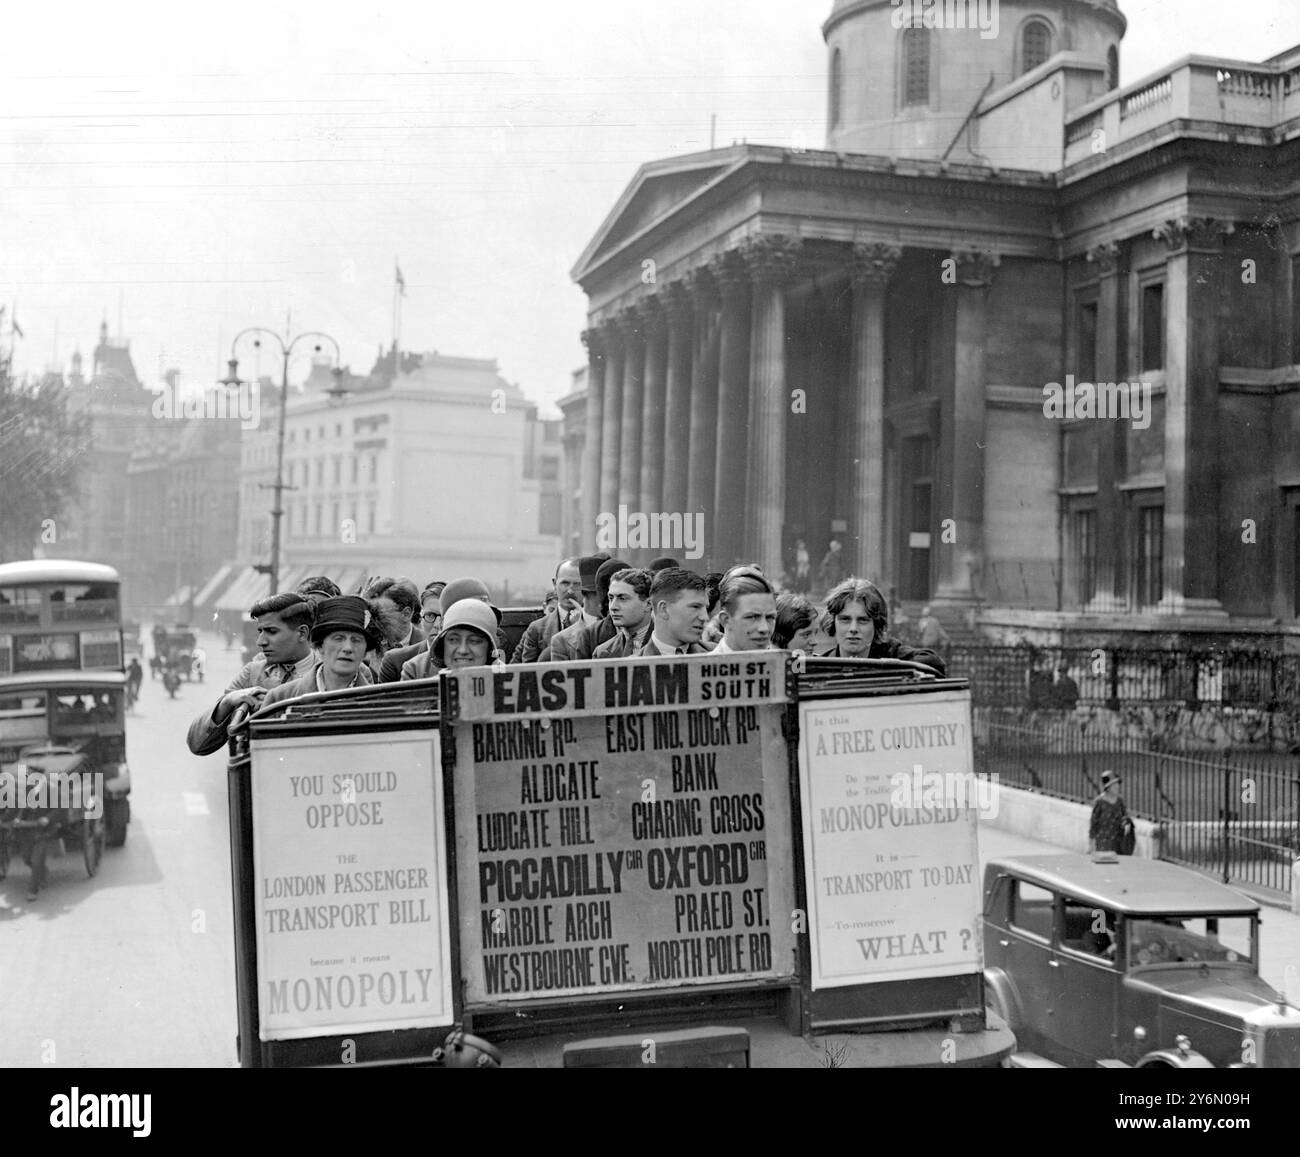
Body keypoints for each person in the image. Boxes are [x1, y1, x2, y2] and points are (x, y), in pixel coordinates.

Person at [186, 592, 316, 756]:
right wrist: (227, 702)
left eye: (271, 631)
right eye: (260, 631)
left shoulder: (327, 673)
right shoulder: (253, 673)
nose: (260, 641)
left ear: (302, 633)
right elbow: (197, 744)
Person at [260, 596, 383, 708]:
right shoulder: (280, 699)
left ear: (366, 650)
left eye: (356, 640)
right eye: (338, 638)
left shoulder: (380, 705)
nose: (348, 648)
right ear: (320, 646)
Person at [818, 577, 946, 674]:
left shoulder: (889, 653)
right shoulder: (820, 666)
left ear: (876, 625)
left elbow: (934, 664)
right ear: (833, 622)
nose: (853, 629)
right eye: (845, 619)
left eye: (863, 620)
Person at [545, 557, 628, 662]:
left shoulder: (635, 628)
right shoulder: (563, 640)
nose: (613, 605)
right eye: (610, 597)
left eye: (622, 598)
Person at [512, 558, 584, 663]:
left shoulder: (596, 624)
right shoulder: (536, 629)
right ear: (555, 584)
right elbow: (528, 671)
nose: (570, 591)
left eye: (577, 584)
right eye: (565, 583)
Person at [379, 580, 446, 682]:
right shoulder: (395, 661)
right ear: (421, 617)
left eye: (444, 617)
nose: (437, 625)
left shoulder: (468, 658)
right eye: (430, 616)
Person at [636, 568, 713, 656]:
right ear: (663, 609)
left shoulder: (721, 657)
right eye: (695, 607)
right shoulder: (630, 666)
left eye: (706, 608)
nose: (705, 617)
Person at [425, 599, 506, 672]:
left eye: (474, 641)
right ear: (442, 646)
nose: (463, 650)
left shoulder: (506, 686)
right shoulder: (430, 686)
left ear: (490, 649)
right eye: (453, 640)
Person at [712, 567, 777, 654]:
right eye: (752, 617)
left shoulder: (784, 665)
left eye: (770, 617)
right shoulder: (696, 667)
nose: (764, 628)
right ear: (726, 620)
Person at [593, 568, 654, 659]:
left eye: (622, 598)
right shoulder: (602, 653)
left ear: (648, 604)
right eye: (611, 598)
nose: (613, 607)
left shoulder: (667, 646)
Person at [1088, 770, 1128, 855]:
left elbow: (1125, 818)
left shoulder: (1120, 801)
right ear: (1108, 787)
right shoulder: (1099, 802)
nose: (1117, 787)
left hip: (1117, 844)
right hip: (1102, 844)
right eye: (1114, 785)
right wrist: (1091, 844)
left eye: (1117, 784)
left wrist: (1126, 824)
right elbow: (1093, 824)